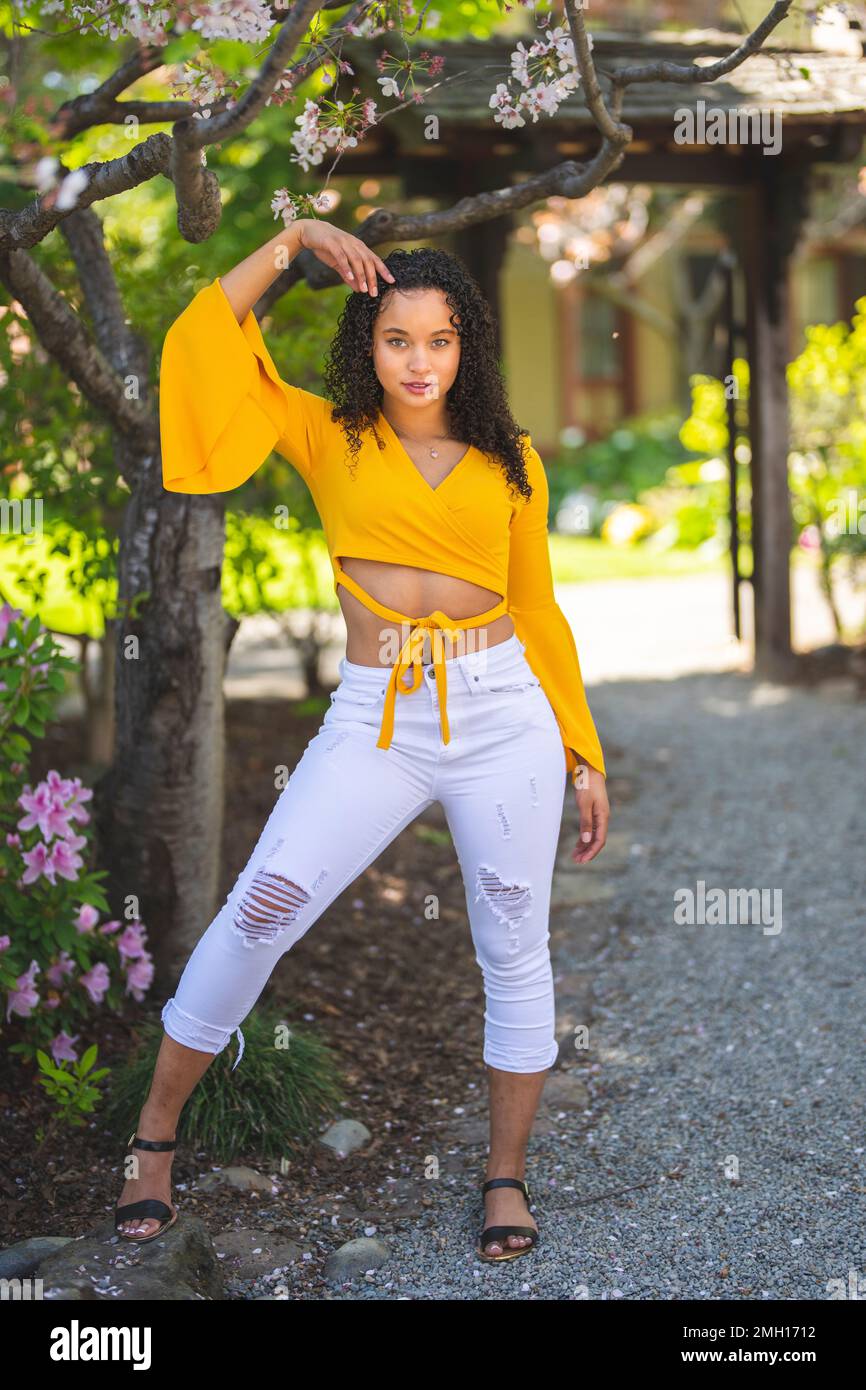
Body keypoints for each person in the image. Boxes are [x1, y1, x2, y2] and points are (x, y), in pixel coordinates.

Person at [114, 220, 609, 1263]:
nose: (418, 362)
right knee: (263, 904)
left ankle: (504, 1175)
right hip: (377, 715)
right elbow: (201, 345)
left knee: (513, 941)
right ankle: (152, 1141)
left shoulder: (511, 459)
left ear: (465, 343)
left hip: (501, 711)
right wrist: (290, 240)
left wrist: (580, 746)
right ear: (365, 346)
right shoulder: (322, 432)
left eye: (437, 340)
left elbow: (539, 610)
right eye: (395, 340)